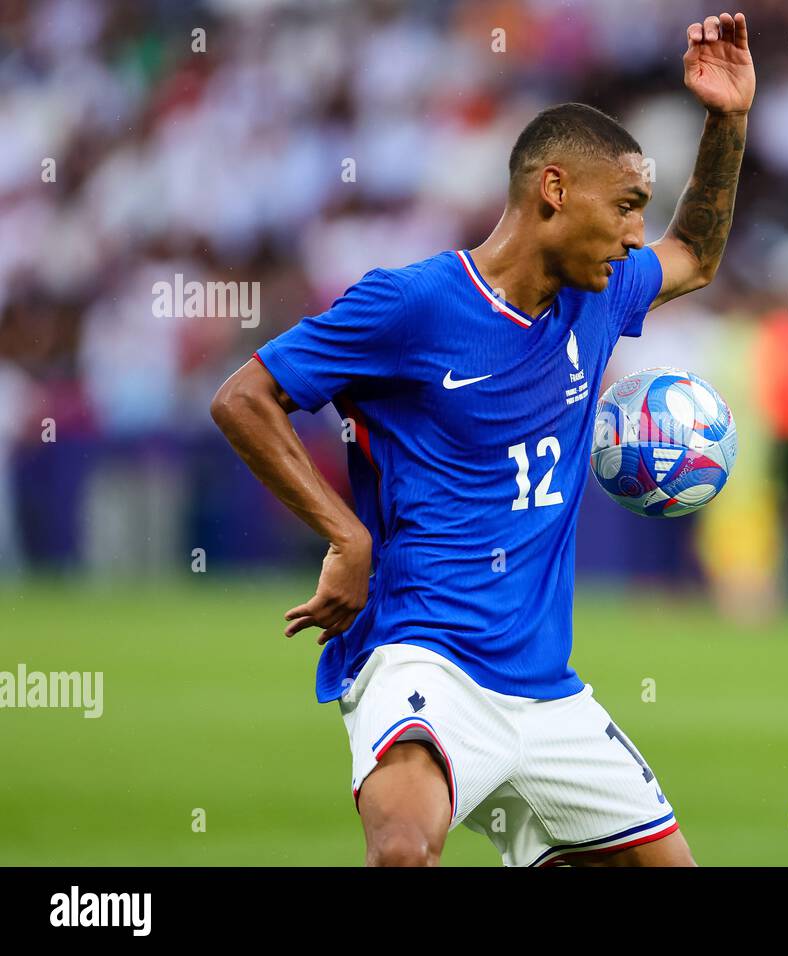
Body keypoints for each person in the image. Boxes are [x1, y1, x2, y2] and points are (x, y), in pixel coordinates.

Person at [210, 13, 755, 867]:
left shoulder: (599, 297)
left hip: (547, 688)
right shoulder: (412, 304)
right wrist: (347, 537)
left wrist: (727, 120)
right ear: (553, 190)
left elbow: (696, 252)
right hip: (424, 653)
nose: (633, 236)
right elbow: (244, 398)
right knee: (403, 853)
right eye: (625, 208)